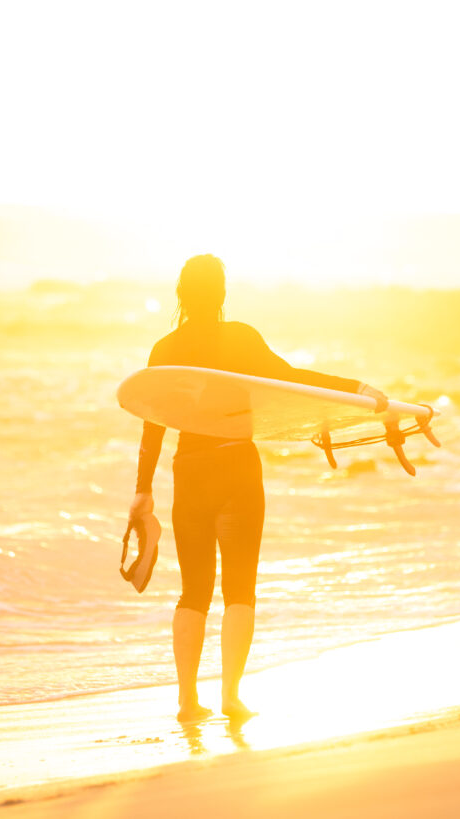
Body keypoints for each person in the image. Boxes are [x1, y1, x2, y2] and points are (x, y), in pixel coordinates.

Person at [128, 254, 388, 721]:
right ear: (222, 293)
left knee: (193, 591)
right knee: (239, 587)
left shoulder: (164, 351)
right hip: (235, 468)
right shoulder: (240, 338)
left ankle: (187, 701)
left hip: (189, 472)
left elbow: (153, 423)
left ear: (181, 294)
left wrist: (142, 489)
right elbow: (290, 379)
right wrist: (357, 389)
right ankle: (230, 697)